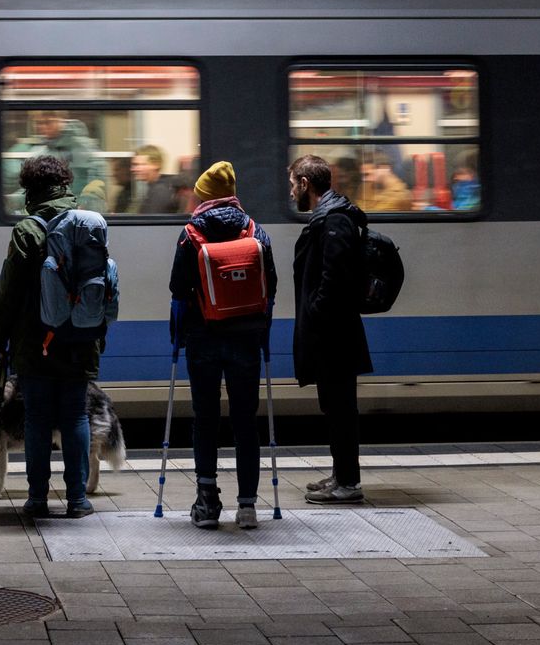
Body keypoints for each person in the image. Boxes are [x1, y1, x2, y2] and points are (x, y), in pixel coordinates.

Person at [0, 155, 98, 518]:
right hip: (80, 338)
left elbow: (9, 292)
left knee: (36, 418)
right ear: (66, 185)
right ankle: (78, 500)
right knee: (75, 418)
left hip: (35, 342)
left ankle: (37, 499)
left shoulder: (26, 230)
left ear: (28, 190)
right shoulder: (88, 225)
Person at [169, 161, 277, 530]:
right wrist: (263, 334)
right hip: (246, 339)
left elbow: (178, 292)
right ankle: (247, 506)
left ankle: (207, 503)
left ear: (204, 195)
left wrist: (178, 336)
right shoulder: (255, 230)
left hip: (204, 341)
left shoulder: (190, 233)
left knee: (206, 420)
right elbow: (270, 288)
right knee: (246, 421)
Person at [289, 154, 373, 504]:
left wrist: (317, 312)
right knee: (334, 406)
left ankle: (348, 484)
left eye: (293, 183)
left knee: (340, 408)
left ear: (306, 184)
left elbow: (334, 277)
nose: (291, 190)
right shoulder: (329, 215)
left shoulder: (334, 219)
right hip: (331, 331)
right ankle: (341, 474)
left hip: (333, 334)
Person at [2, 111, 107, 212]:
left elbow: (97, 181)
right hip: (56, 212)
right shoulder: (42, 151)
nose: (42, 127)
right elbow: (36, 188)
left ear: (62, 121)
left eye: (48, 122)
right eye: (38, 123)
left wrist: (86, 205)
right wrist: (11, 201)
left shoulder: (82, 147)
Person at [129, 145, 176, 214]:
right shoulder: (155, 188)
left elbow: (149, 221)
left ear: (156, 165)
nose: (133, 169)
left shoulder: (160, 191)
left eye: (139, 165)